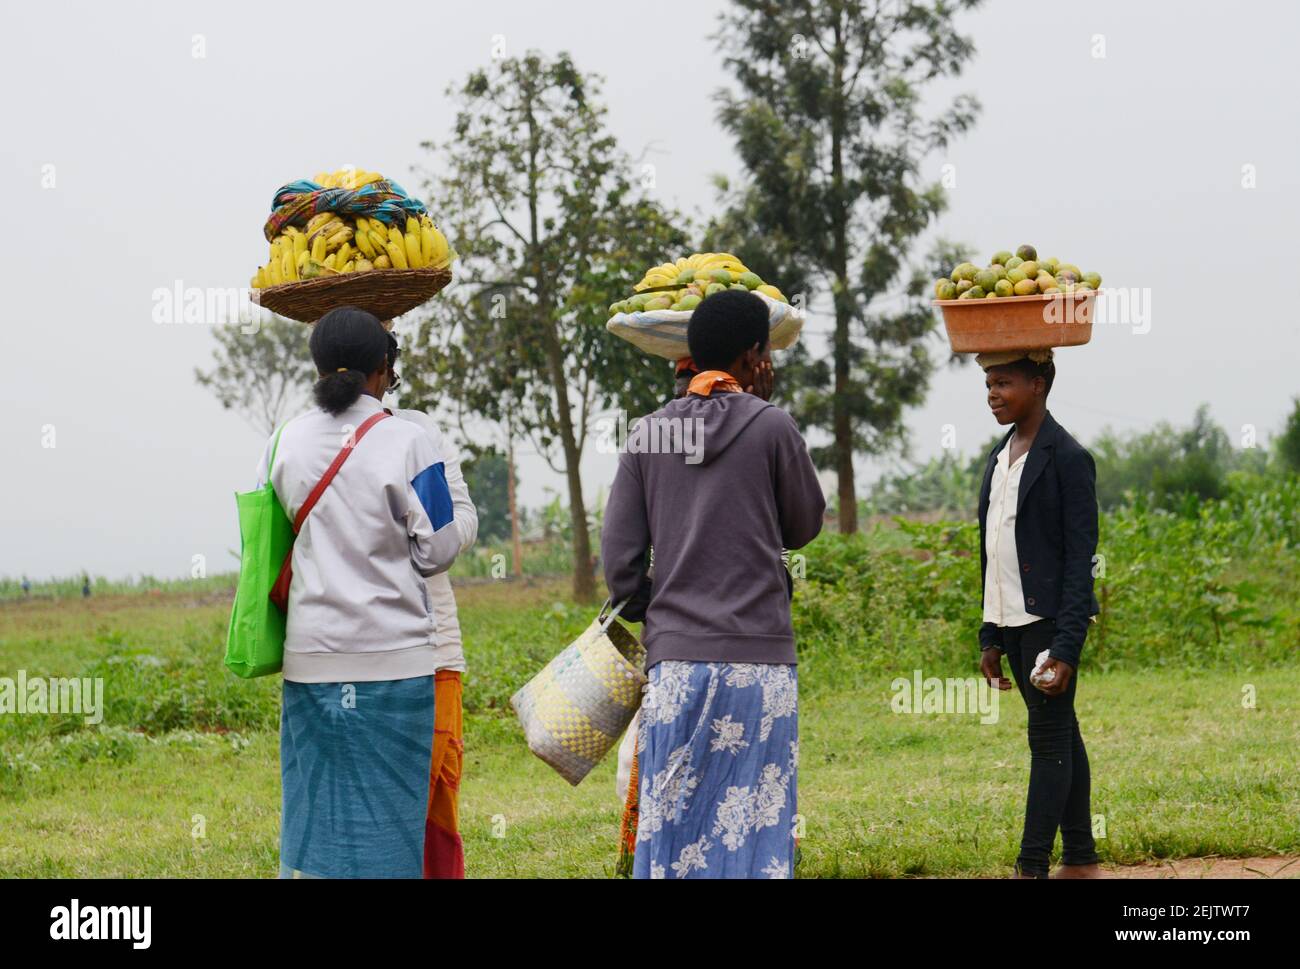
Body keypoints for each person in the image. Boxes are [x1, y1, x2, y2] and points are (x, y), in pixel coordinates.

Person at [602, 289, 824, 879]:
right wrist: (764, 413)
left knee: (677, 829)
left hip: (677, 667)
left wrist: (667, 606)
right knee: (754, 828)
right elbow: (803, 526)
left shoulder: (648, 434)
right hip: (761, 667)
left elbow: (621, 569)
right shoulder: (773, 427)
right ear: (753, 357)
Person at [262, 306, 462, 879]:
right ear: (383, 369)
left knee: (316, 815)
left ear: (318, 367)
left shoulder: (284, 442)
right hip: (395, 663)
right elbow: (439, 548)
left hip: (310, 660)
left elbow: (271, 538)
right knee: (389, 826)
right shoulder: (409, 440)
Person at [975, 348, 1103, 879]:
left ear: (1039, 384)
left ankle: (1031, 868)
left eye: (1003, 382)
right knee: (1062, 734)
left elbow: (1080, 561)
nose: (992, 394)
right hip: (1011, 624)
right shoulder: (999, 456)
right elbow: (991, 550)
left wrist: (1066, 648)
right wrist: (990, 634)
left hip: (1048, 625)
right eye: (988, 384)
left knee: (1048, 742)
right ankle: (1081, 858)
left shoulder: (1068, 458)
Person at [380, 345, 480, 879]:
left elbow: (460, 521)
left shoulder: (418, 431)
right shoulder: (310, 441)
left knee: (427, 802)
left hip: (424, 650)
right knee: (402, 808)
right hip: (391, 654)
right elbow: (446, 540)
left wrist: (433, 529)